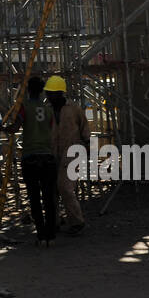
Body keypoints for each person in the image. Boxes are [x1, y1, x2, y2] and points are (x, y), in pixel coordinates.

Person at [4, 75, 58, 244]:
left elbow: (15, 128)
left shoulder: (24, 107)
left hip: (30, 157)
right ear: (42, 91)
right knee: (49, 198)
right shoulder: (48, 109)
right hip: (48, 157)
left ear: (28, 90)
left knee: (34, 197)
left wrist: (3, 128)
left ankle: (41, 235)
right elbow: (50, 131)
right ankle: (51, 235)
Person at [47, 74, 90, 235]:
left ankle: (77, 222)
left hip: (72, 151)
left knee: (64, 186)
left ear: (60, 93)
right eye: (47, 93)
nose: (49, 97)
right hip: (52, 152)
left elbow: (85, 128)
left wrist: (86, 145)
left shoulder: (73, 109)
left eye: (51, 93)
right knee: (52, 188)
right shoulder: (48, 111)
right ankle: (55, 221)